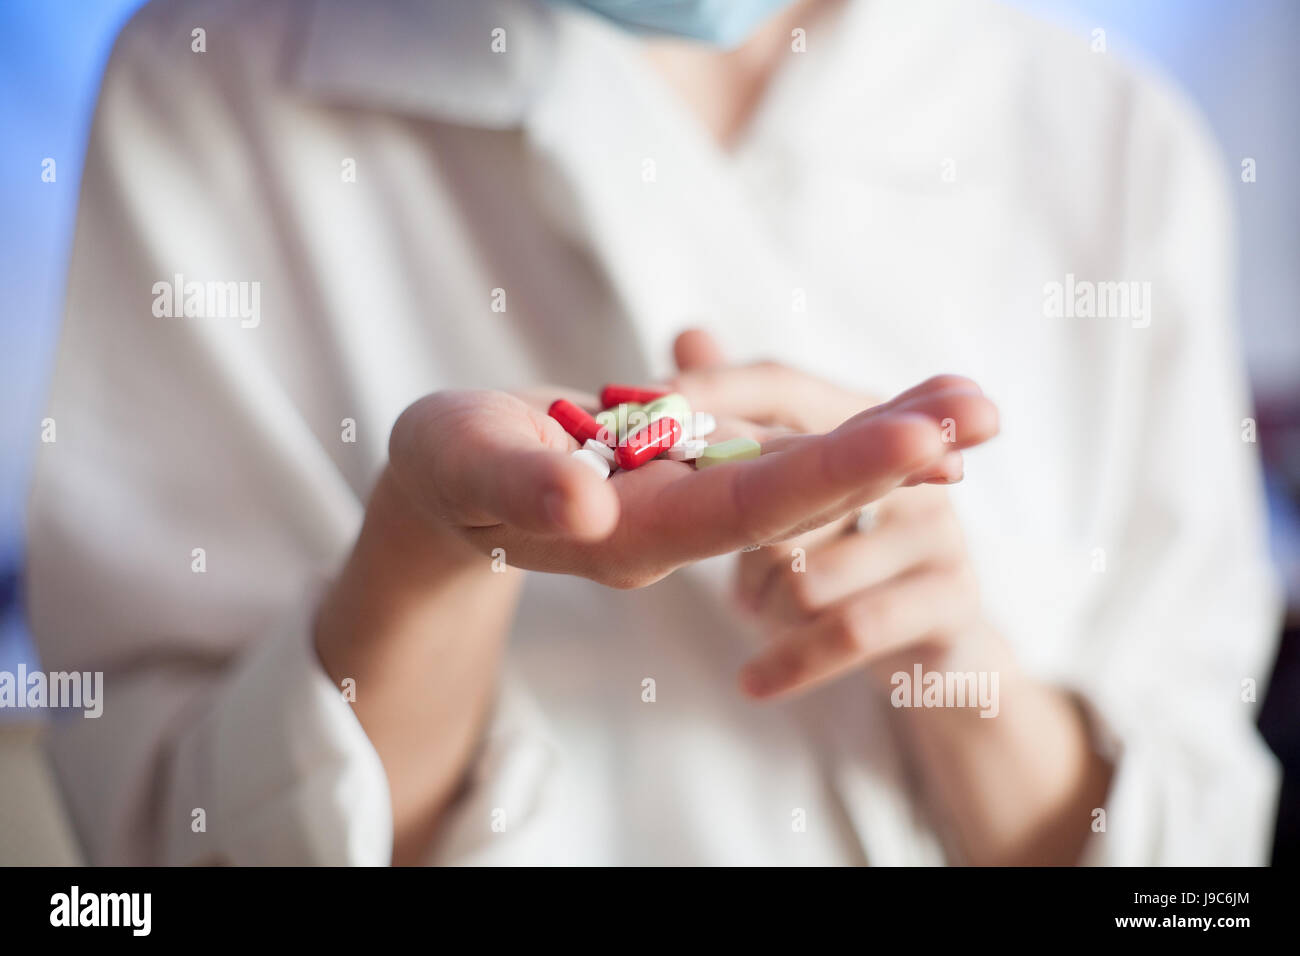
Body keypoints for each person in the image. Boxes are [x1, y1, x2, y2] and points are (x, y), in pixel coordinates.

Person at [26, 0, 1280, 865]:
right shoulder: (212, 83)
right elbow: (153, 876)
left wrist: (961, 676)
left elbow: (1200, 891)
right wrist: (423, 558)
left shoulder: (1111, 140)